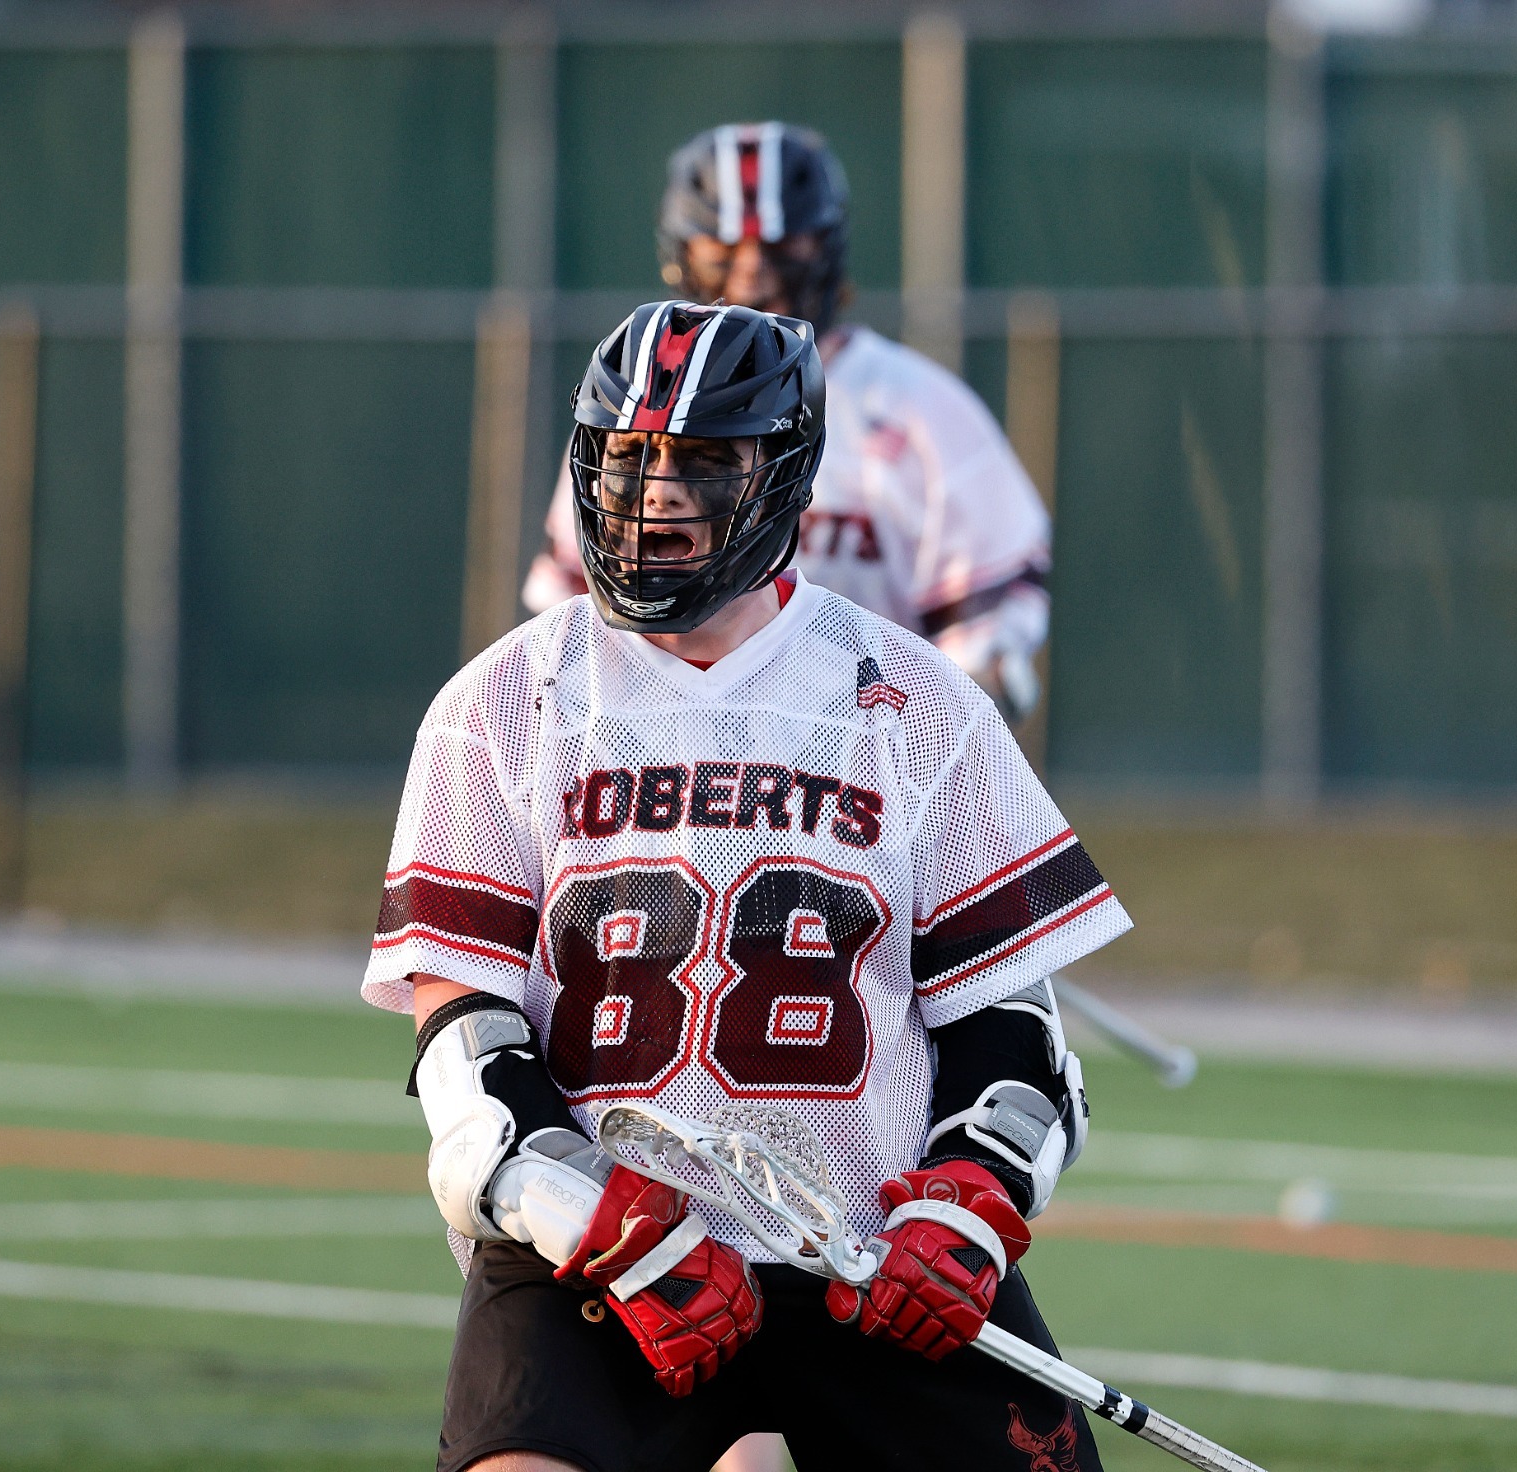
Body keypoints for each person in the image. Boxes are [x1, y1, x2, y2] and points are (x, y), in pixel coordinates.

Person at [367, 301, 1129, 1472]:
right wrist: (589, 1207)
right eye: (629, 455)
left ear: (785, 471)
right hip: (602, 1243)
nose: (656, 491)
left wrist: (965, 1200)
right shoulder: (501, 702)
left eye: (703, 459)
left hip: (860, 1256)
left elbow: (1010, 1033)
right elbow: (462, 1040)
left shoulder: (919, 706)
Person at [523, 122, 1050, 722]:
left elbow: (983, 649)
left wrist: (910, 748)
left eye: (782, 246)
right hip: (657, 752)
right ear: (681, 253)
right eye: (724, 248)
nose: (752, 274)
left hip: (860, 763)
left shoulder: (924, 411)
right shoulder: (638, 403)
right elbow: (569, 627)